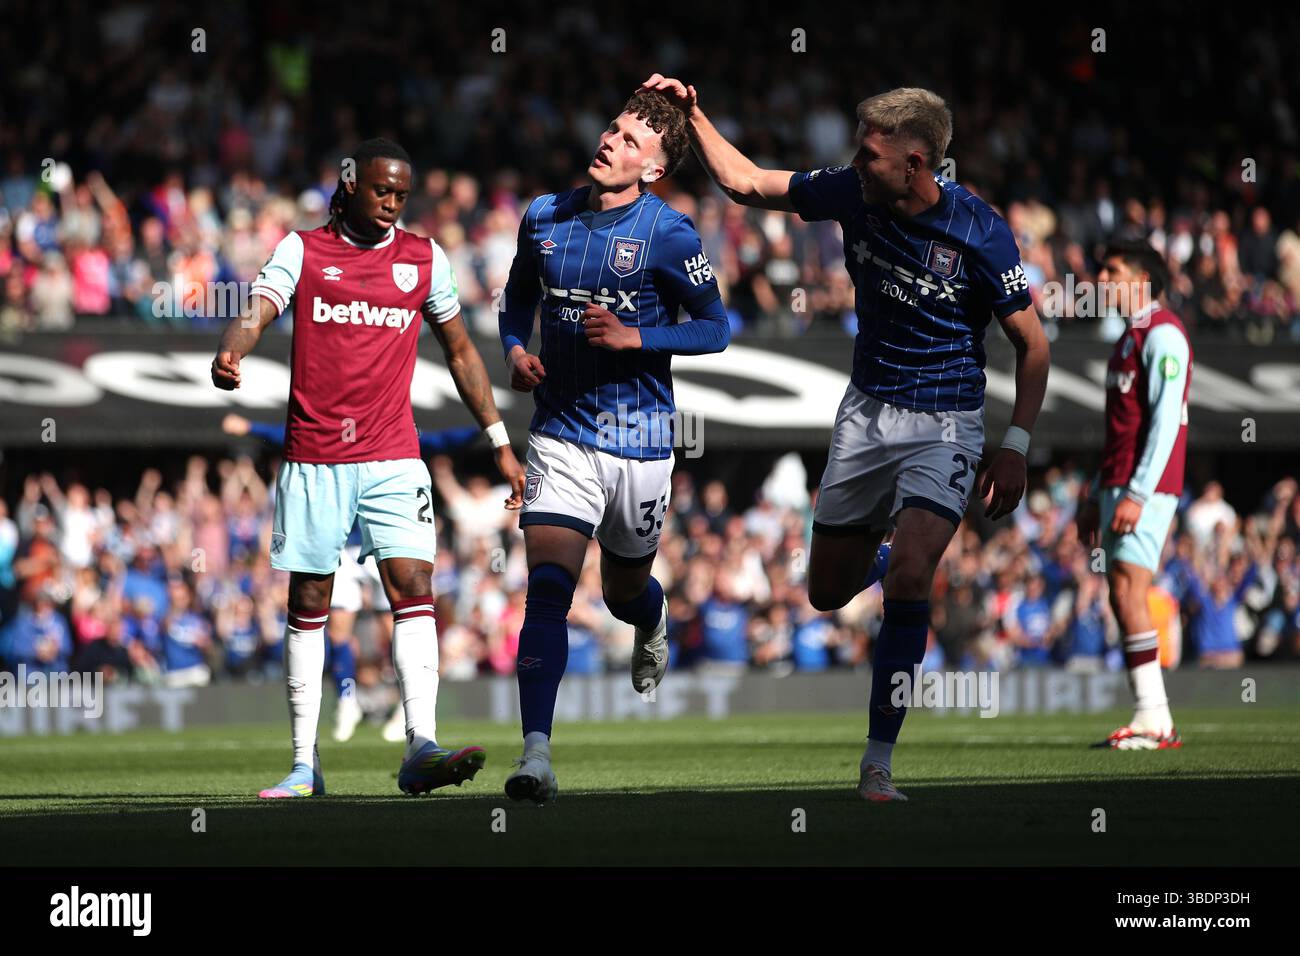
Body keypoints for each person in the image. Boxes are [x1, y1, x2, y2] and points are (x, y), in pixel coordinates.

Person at [641, 75, 1049, 800]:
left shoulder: (980, 231)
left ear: (915, 163)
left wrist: (1014, 444)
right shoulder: (852, 192)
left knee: (913, 578)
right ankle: (887, 556)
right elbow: (742, 183)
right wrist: (693, 112)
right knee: (827, 593)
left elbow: (1033, 345)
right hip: (866, 413)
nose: (856, 165)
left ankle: (877, 762)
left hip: (946, 419)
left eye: (869, 156)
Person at [211, 138, 525, 798]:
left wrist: (497, 438)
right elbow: (259, 305)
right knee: (309, 601)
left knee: (412, 584)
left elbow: (463, 353)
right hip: (316, 456)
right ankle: (305, 764)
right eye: (382, 190)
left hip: (393, 455)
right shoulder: (304, 250)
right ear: (350, 185)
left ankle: (421, 746)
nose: (391, 203)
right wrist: (233, 349)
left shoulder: (422, 258)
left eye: (401, 195)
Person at [497, 90, 730, 804]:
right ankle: (537, 755)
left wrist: (638, 337)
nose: (612, 143)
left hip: (641, 441)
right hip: (561, 433)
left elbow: (715, 327)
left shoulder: (669, 233)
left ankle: (651, 617)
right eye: (612, 129)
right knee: (547, 592)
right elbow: (515, 297)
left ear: (653, 168)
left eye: (632, 141)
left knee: (623, 592)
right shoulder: (544, 217)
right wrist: (512, 344)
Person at [1077, 239, 1192, 749]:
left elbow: (1167, 423)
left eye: (1112, 269)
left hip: (1143, 485)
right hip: (1119, 481)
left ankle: (1154, 719)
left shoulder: (1164, 335)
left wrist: (1138, 493)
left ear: (1140, 277)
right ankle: (1151, 716)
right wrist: (1094, 492)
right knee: (1120, 590)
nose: (1102, 279)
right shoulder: (1130, 336)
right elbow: (1120, 429)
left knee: (1128, 587)